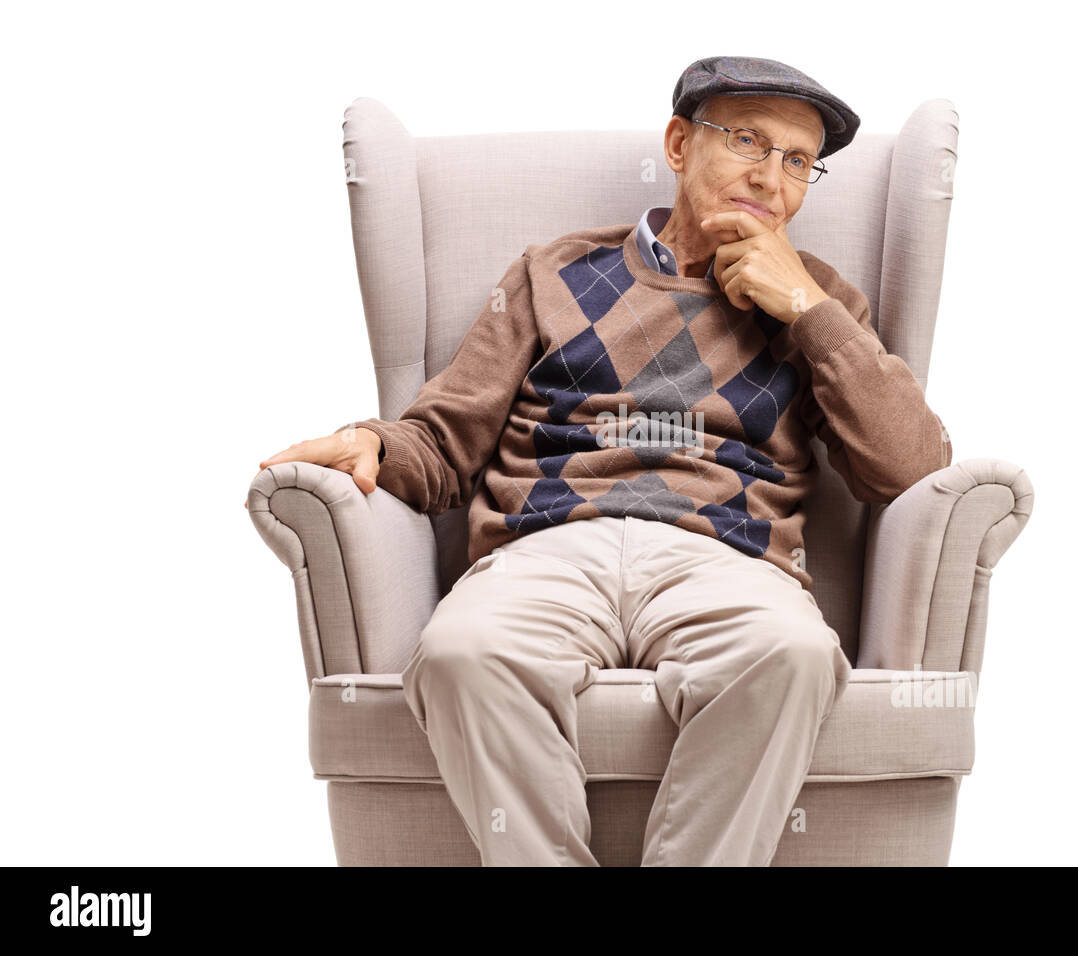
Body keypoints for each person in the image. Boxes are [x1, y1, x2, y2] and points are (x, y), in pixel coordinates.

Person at [253, 55, 952, 866]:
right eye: (749, 142)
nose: (771, 179)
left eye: (798, 162)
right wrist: (373, 440)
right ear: (680, 144)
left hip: (728, 555)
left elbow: (910, 468)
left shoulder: (821, 301)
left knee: (792, 657)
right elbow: (446, 438)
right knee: (459, 655)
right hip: (547, 544)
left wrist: (807, 310)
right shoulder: (552, 273)